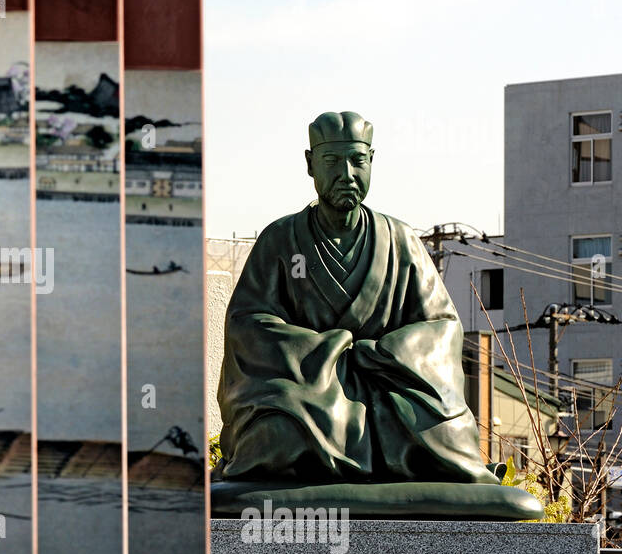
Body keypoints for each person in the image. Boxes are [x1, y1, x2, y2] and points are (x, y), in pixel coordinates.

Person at [215, 112, 520, 495]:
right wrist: (329, 356)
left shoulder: (400, 240)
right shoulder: (280, 240)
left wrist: (382, 355)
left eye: (357, 161)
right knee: (276, 437)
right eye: (332, 161)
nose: (346, 173)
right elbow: (247, 324)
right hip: (307, 397)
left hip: (391, 391)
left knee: (447, 434)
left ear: (372, 162)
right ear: (310, 165)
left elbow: (441, 327)